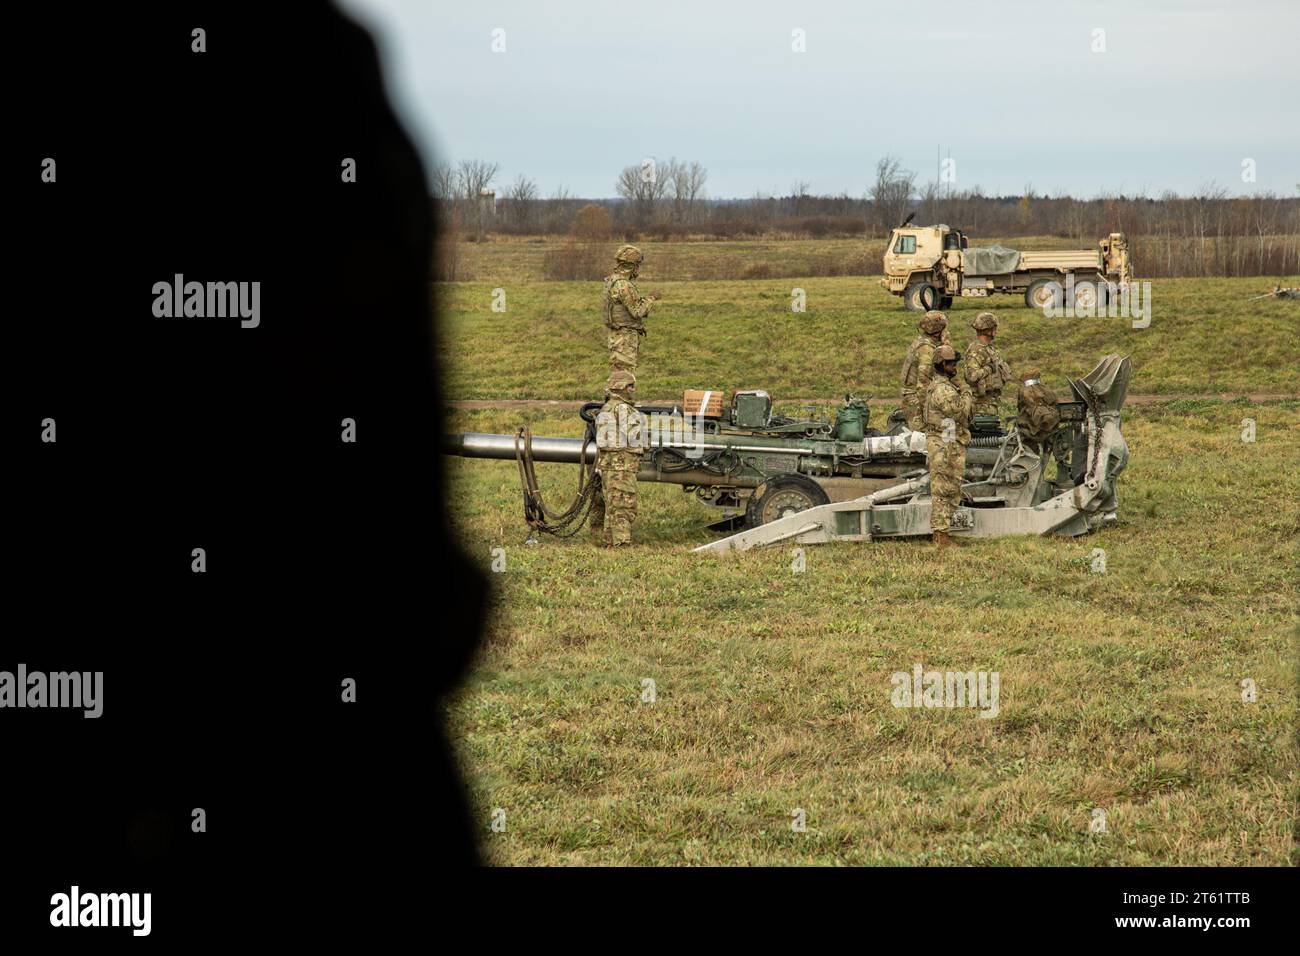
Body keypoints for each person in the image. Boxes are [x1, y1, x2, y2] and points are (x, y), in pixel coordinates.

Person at [923, 344, 973, 548]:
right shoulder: (943, 390)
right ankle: (941, 536)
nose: (955, 367)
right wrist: (967, 393)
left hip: (948, 441)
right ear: (942, 364)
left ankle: (943, 534)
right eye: (951, 363)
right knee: (943, 489)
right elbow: (959, 413)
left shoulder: (944, 386)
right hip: (944, 444)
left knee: (951, 487)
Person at [589, 370, 647, 546]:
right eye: (630, 386)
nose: (633, 389)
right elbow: (636, 437)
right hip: (622, 467)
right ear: (621, 387)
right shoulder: (623, 409)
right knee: (623, 505)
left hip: (609, 466)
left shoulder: (607, 408)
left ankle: (610, 541)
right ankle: (621, 543)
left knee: (613, 506)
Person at [602, 244, 661, 372]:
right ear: (632, 265)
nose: (638, 269)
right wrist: (652, 298)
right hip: (624, 338)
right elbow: (637, 312)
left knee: (619, 374)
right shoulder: (624, 285)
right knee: (624, 377)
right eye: (637, 265)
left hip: (617, 335)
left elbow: (623, 310)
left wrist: (637, 326)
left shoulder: (612, 280)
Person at [900, 310, 950, 431]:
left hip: (916, 399)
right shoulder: (926, 349)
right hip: (916, 403)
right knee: (924, 440)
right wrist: (929, 413)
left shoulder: (922, 341)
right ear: (939, 331)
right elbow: (923, 385)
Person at [963, 312, 1013, 417]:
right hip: (980, 407)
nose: (996, 331)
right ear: (989, 330)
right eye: (994, 328)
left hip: (990, 403)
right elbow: (971, 376)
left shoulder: (989, 348)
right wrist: (988, 369)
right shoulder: (976, 350)